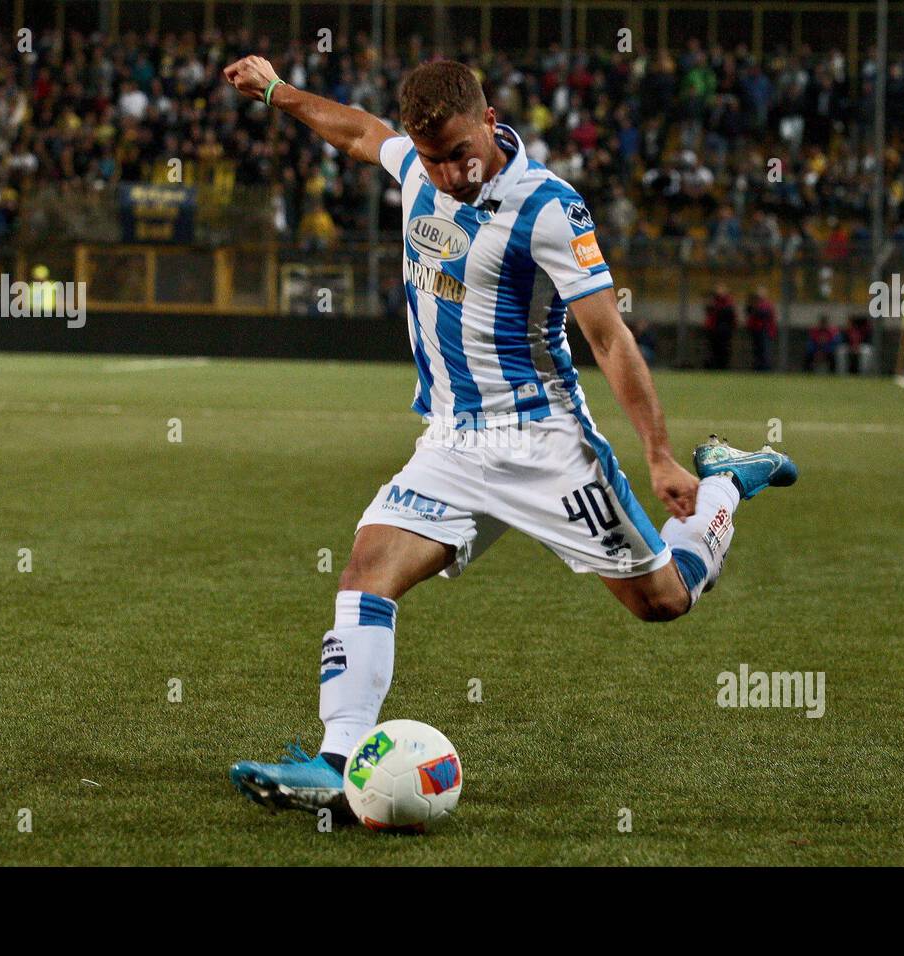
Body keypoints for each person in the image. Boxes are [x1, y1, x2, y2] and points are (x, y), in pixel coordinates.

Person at [220, 56, 797, 818]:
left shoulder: (549, 208)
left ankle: (722, 483)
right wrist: (275, 91)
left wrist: (659, 453)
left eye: (461, 152)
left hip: (542, 445)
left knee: (661, 601)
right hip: (451, 443)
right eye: (433, 158)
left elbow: (609, 337)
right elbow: (359, 132)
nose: (450, 173)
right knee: (364, 574)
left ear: (490, 123)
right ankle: (337, 762)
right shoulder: (418, 171)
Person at [704, 284, 737, 370]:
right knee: (713, 349)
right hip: (713, 329)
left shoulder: (728, 302)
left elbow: (730, 316)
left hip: (724, 330)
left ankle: (723, 367)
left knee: (724, 349)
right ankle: (715, 367)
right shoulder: (713, 301)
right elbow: (709, 313)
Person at [745, 288, 777, 371]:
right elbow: (749, 313)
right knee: (757, 352)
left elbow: (764, 315)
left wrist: (755, 309)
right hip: (756, 331)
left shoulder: (767, 305)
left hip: (765, 331)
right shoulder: (754, 304)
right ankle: (758, 369)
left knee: (765, 351)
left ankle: (765, 369)